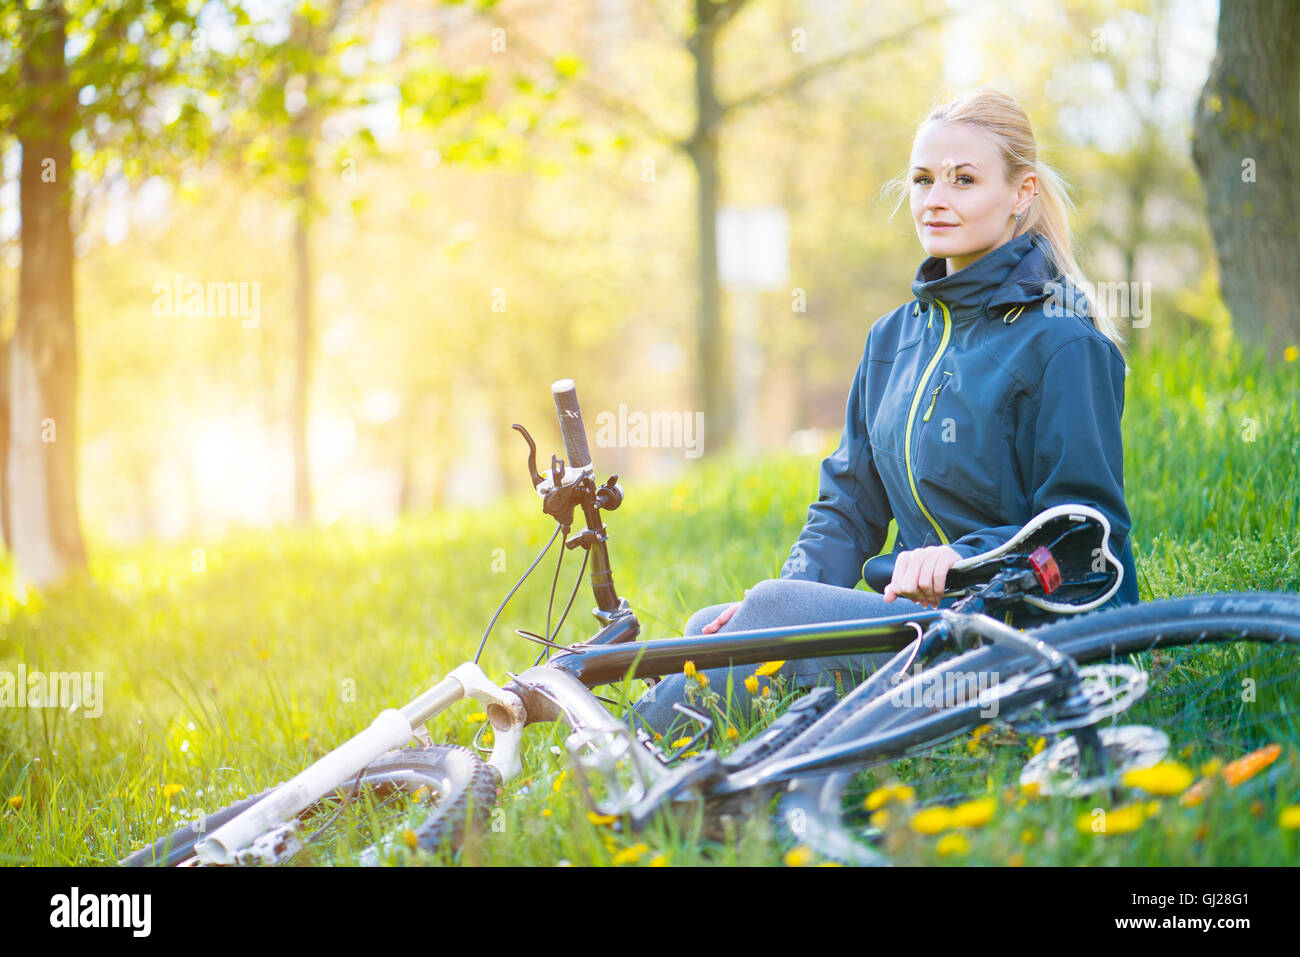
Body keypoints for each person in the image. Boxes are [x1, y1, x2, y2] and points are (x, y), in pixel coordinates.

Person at [632, 89, 1140, 737]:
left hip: (1021, 636)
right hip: (924, 627)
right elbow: (847, 508)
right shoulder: (892, 339)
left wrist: (963, 558)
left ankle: (614, 774)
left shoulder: (1063, 342)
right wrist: (784, 597)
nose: (935, 198)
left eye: (964, 179)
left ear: (1022, 192)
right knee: (717, 622)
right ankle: (709, 790)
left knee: (771, 612)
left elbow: (1084, 535)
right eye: (923, 179)